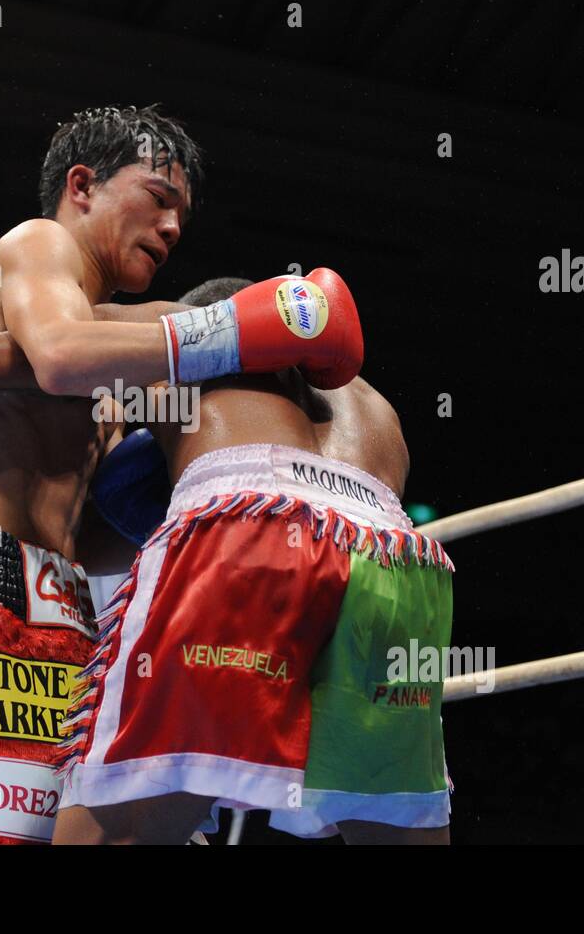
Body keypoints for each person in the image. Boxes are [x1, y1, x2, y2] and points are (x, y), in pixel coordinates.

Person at [0, 105, 364, 845]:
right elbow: (60, 358)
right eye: (159, 200)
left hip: (73, 616)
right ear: (83, 185)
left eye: (182, 217)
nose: (171, 230)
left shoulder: (123, 345)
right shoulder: (38, 245)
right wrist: (233, 332)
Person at [52, 277, 456, 845]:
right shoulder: (373, 403)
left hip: (247, 528)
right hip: (395, 561)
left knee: (108, 834)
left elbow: (55, 331)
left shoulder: (192, 331)